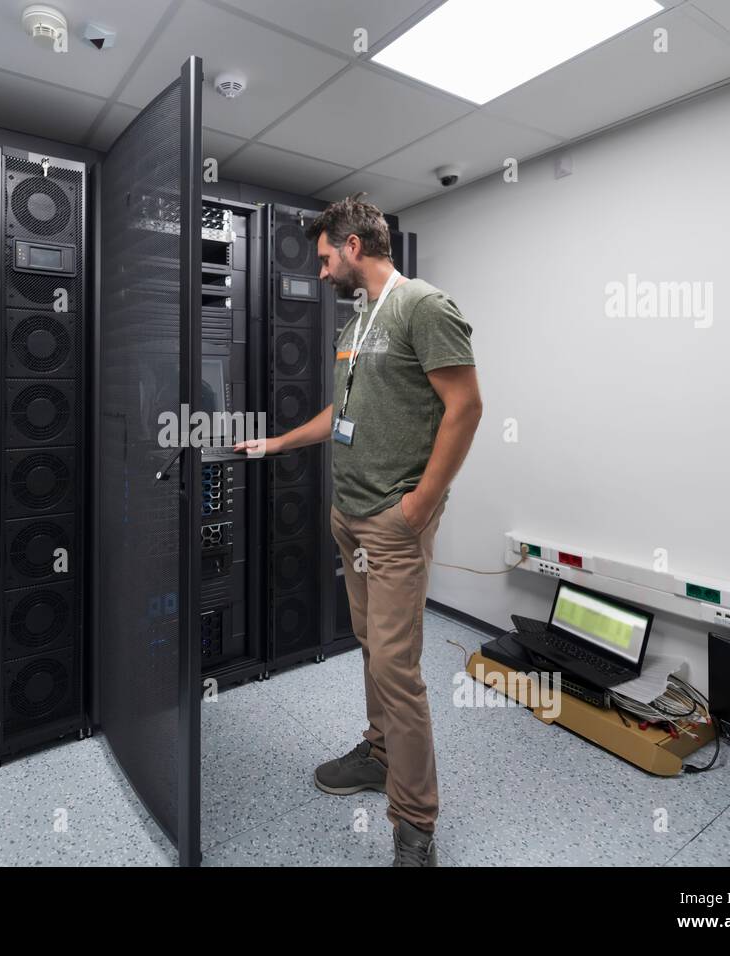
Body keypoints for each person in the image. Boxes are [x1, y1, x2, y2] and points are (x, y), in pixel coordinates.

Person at [237, 194, 482, 866]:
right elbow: (340, 410)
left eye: (323, 259)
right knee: (372, 649)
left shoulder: (422, 307)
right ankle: (379, 755)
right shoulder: (357, 319)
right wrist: (279, 443)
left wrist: (421, 504)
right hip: (349, 514)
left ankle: (416, 827)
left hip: (393, 522)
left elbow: (466, 406)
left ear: (352, 246)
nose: (319, 274)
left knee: (399, 670)